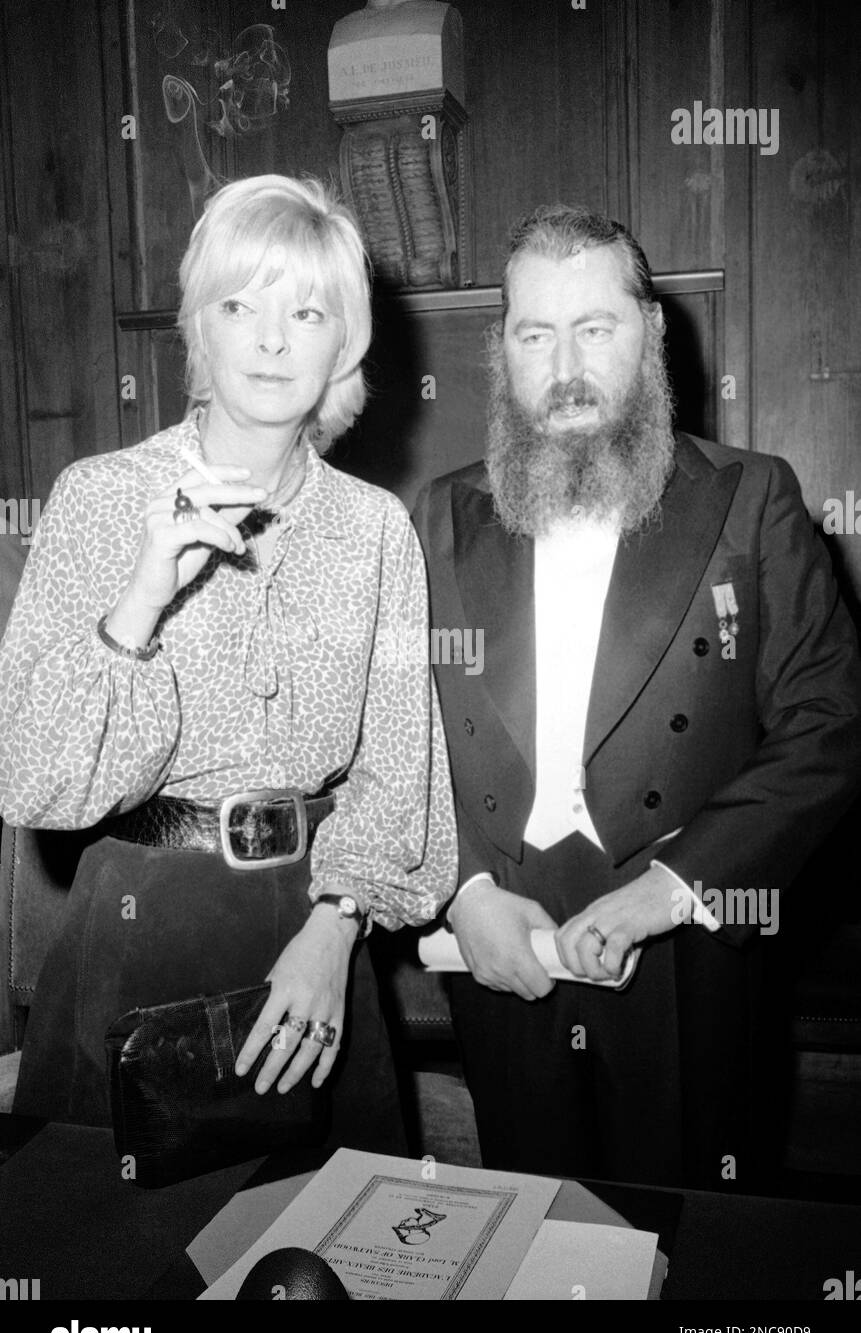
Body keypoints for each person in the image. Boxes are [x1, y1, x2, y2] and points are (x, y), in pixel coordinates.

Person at [0, 174, 457, 1150]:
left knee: (329, 1248)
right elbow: (34, 780)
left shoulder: (376, 529)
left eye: (306, 310)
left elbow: (400, 769)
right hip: (143, 926)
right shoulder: (100, 497)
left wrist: (335, 934)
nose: (271, 338)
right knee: (130, 1270)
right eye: (238, 304)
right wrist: (144, 594)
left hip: (318, 932)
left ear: (347, 343)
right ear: (198, 328)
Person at [412, 205, 861, 1187]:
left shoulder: (753, 498)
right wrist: (466, 890)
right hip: (505, 960)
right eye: (536, 333)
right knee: (525, 1236)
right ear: (505, 353)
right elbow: (404, 733)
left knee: (686, 1249)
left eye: (596, 327)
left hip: (687, 969)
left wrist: (675, 889)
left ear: (652, 336)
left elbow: (829, 730)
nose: (565, 363)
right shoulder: (439, 516)